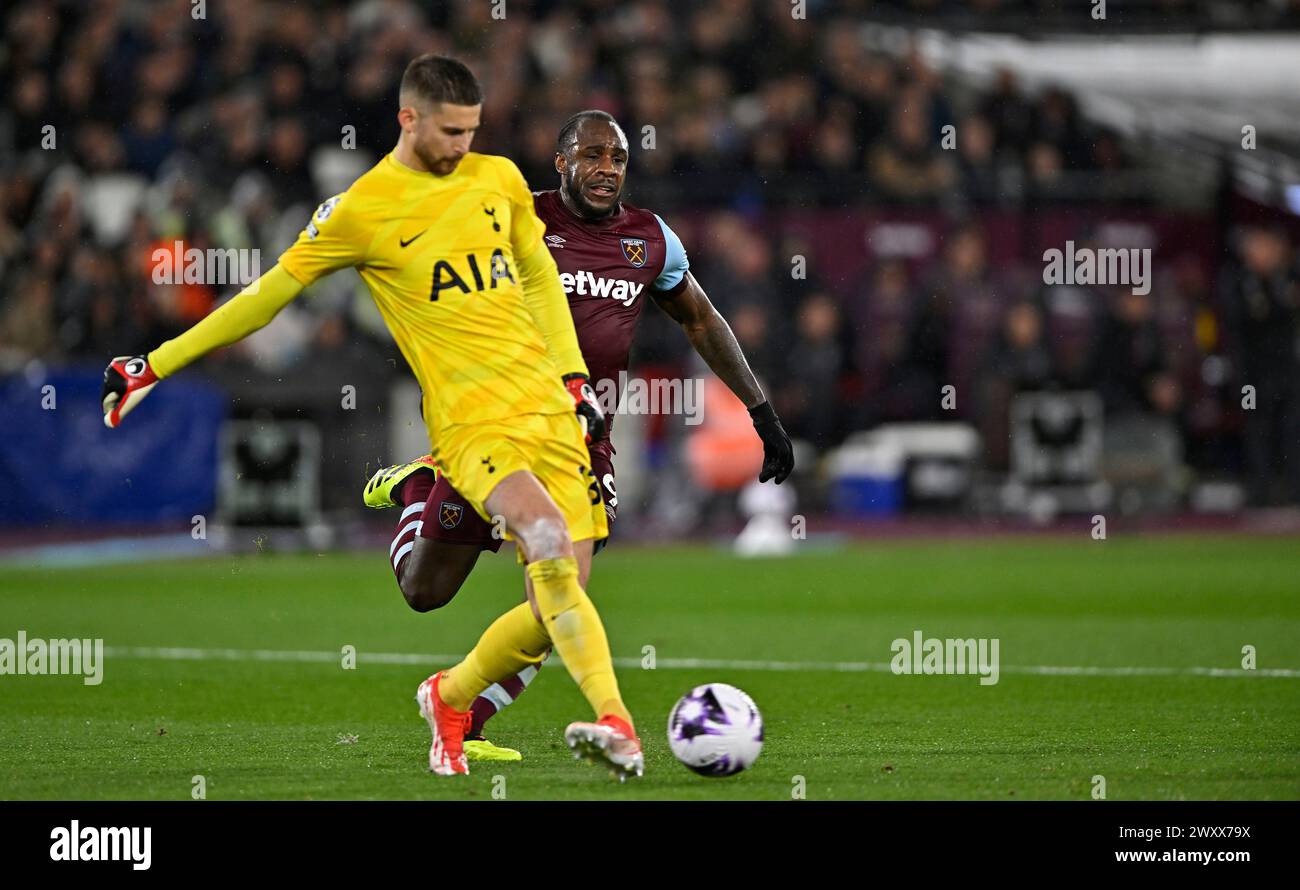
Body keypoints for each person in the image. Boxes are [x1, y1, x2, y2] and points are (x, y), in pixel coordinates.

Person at [100, 56, 642, 780]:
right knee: (541, 538)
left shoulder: (498, 178)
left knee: (555, 604)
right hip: (473, 421)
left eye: (472, 131)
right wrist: (156, 363)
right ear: (408, 119)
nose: (462, 147)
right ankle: (619, 727)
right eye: (450, 132)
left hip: (547, 406)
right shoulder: (362, 209)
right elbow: (267, 294)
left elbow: (537, 275)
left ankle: (448, 698)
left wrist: (575, 379)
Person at [363, 110, 795, 761]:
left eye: (617, 159)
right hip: (495, 429)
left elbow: (703, 322)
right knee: (425, 591)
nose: (606, 169)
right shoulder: (513, 218)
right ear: (561, 161)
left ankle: (462, 712)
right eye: (591, 156)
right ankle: (418, 490)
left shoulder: (650, 239)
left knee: (557, 602)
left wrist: (762, 411)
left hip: (579, 445)